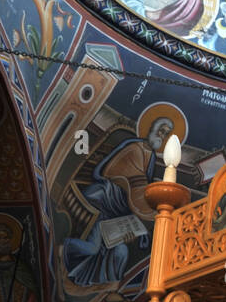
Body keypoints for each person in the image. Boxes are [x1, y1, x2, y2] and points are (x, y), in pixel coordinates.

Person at [64, 114, 175, 290]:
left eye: (166, 134)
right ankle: (65, 248)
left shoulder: (151, 156)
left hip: (121, 213)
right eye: (161, 130)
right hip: (103, 203)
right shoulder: (132, 145)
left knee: (121, 251)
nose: (162, 135)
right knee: (93, 249)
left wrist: (133, 230)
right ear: (152, 128)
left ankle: (107, 291)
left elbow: (141, 190)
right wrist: (124, 188)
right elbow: (107, 172)